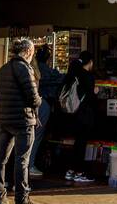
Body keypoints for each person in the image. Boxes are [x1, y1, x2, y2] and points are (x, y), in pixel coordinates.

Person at [0, 37, 41, 204]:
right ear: (27, 51)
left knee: (1, 159)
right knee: (22, 160)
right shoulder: (24, 69)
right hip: (23, 120)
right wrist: (40, 101)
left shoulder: (4, 69)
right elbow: (33, 97)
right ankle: (22, 200)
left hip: (5, 119)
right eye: (33, 52)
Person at [60, 50, 95, 184]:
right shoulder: (88, 77)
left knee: (75, 143)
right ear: (90, 62)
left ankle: (70, 171)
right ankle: (79, 172)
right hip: (84, 115)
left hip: (73, 114)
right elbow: (90, 97)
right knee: (81, 144)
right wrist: (95, 92)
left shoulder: (74, 74)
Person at [29, 44, 63, 179]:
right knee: (36, 136)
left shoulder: (30, 69)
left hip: (30, 107)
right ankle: (30, 165)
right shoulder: (42, 71)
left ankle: (27, 165)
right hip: (41, 105)